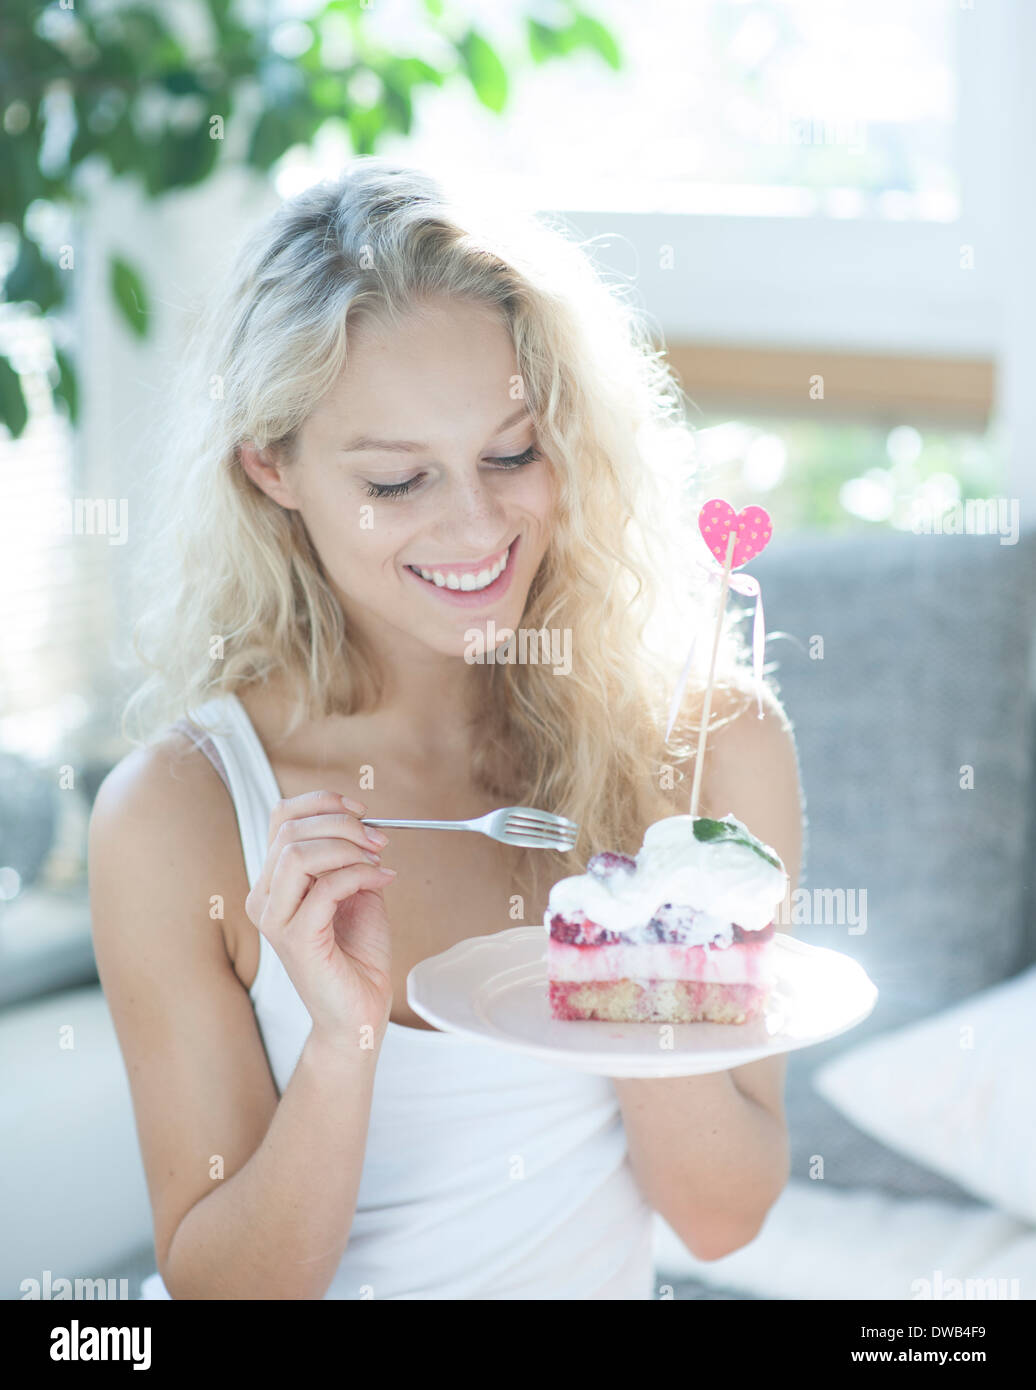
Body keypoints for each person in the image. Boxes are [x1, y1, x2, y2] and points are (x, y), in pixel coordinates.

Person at [88, 158, 803, 1300]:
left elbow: (721, 1219)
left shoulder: (710, 747)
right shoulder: (181, 816)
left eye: (512, 453)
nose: (475, 523)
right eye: (396, 478)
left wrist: (635, 929)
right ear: (272, 467)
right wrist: (340, 1044)